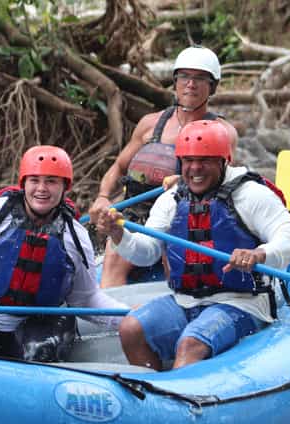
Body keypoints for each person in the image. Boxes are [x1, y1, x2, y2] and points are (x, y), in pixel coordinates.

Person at [95, 120, 290, 371]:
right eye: (188, 161)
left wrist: (259, 254)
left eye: (204, 161)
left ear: (223, 161)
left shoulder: (251, 195)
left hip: (241, 302)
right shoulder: (171, 199)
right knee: (130, 329)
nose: (195, 168)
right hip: (185, 300)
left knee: (190, 344)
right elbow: (147, 252)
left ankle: (181, 399)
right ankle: (154, 391)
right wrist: (120, 234)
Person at [0, 145, 127, 362]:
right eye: (34, 180)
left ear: (64, 186)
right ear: (23, 183)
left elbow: (86, 298)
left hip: (38, 324)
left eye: (51, 181)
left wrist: (128, 317)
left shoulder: (74, 236)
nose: (42, 188)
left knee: (40, 350)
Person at [88, 45, 239, 288]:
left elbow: (228, 181)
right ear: (175, 82)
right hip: (136, 213)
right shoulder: (150, 123)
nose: (191, 84)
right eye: (184, 77)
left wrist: (188, 181)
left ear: (212, 87)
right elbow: (119, 166)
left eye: (200, 78)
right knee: (115, 254)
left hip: (185, 213)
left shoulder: (222, 132)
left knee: (176, 256)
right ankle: (109, 318)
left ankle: (180, 304)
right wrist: (103, 197)